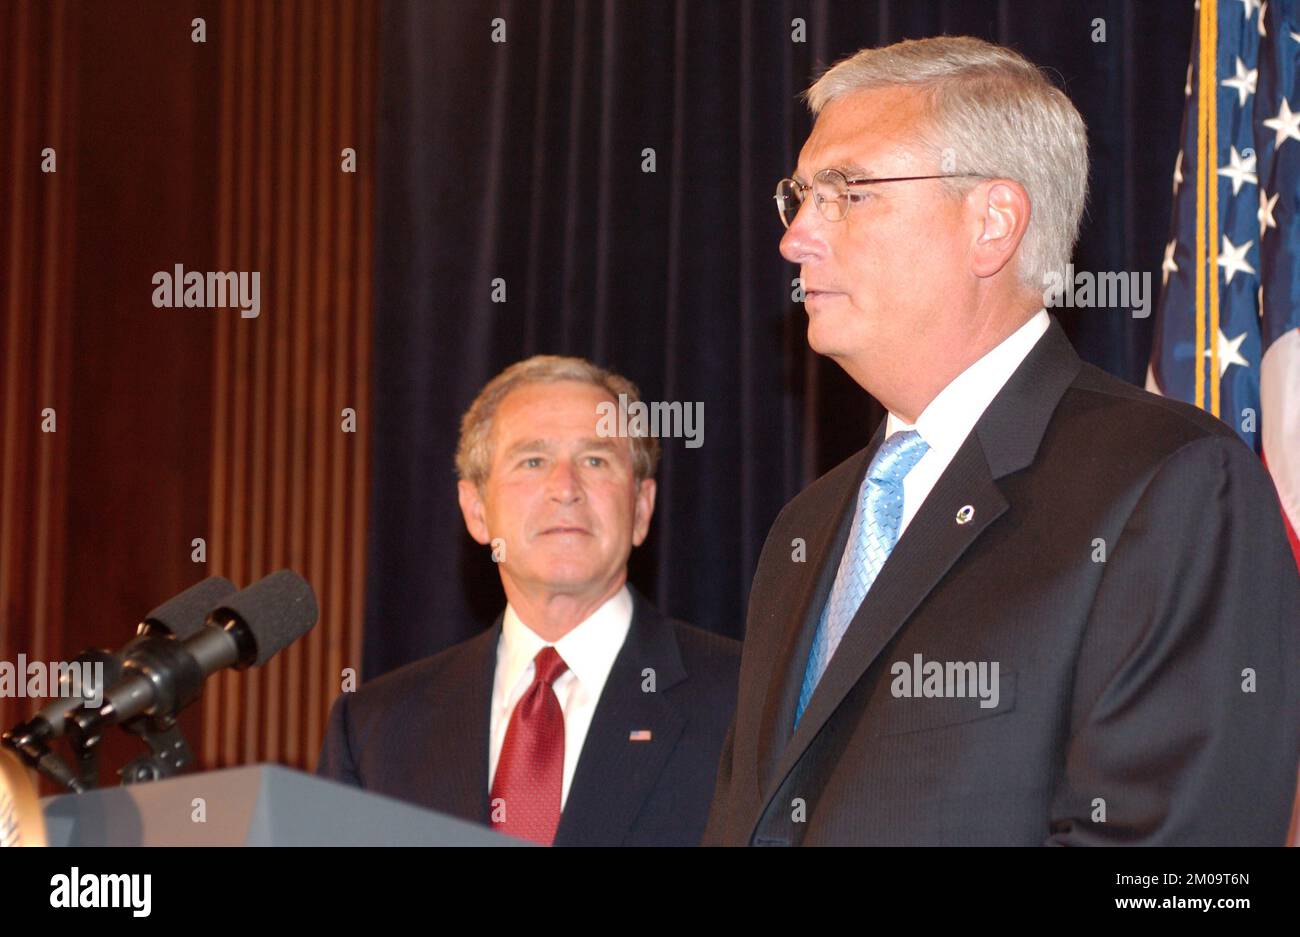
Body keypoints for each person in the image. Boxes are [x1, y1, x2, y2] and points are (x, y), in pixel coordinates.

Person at [704, 36, 1299, 846]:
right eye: (800, 195)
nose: (797, 237)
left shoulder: (1171, 485)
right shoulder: (803, 530)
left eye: (846, 191)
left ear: (993, 223)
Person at [319, 356, 740, 846]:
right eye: (532, 461)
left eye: (596, 460)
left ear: (641, 508)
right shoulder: (375, 730)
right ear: (477, 510)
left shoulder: (746, 701)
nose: (565, 489)